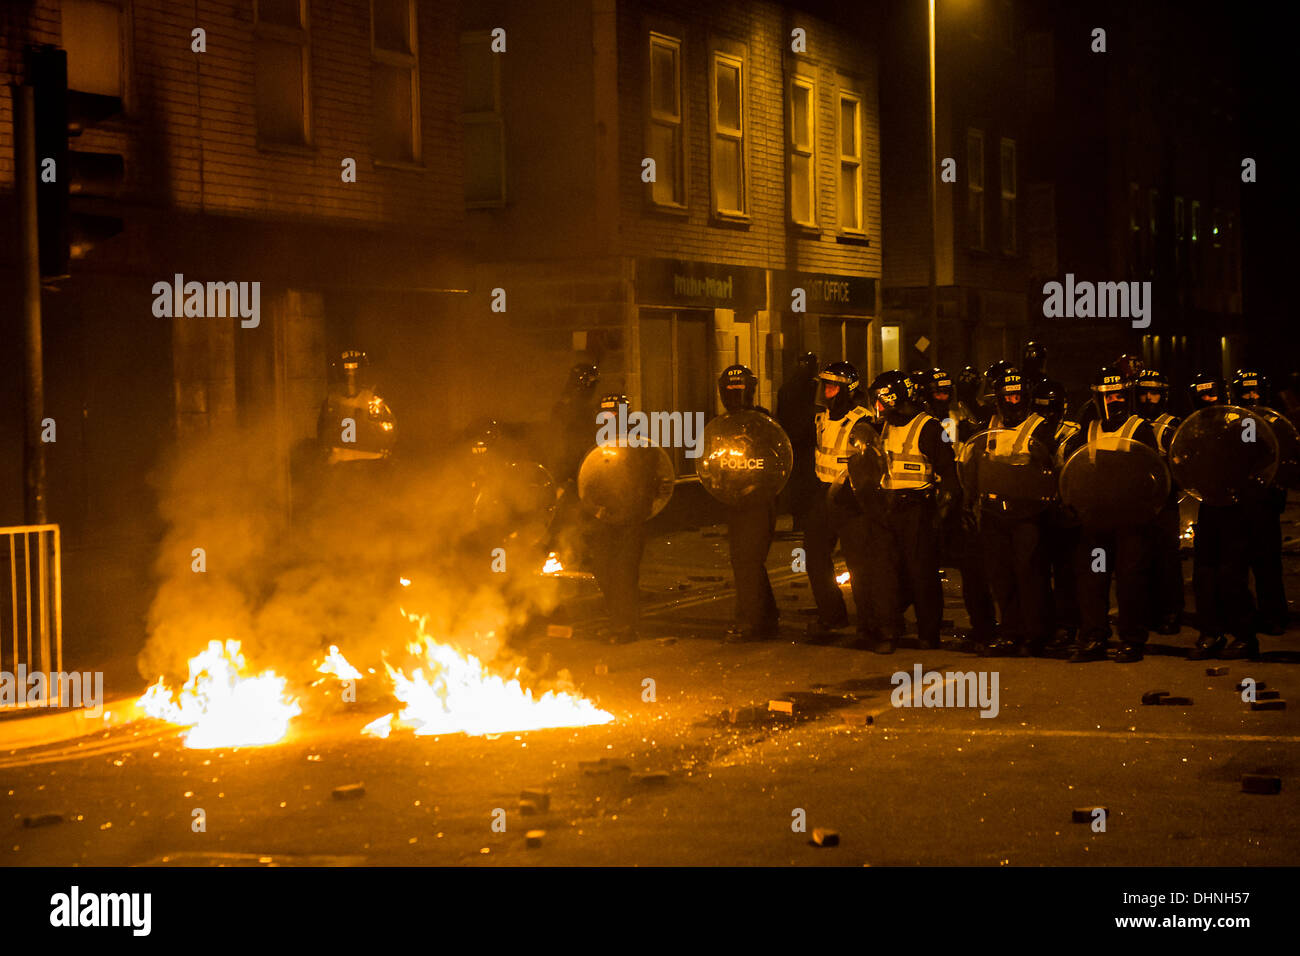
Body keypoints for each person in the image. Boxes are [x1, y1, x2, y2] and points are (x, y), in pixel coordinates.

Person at [1060, 366, 1159, 663]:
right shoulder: (1087, 430)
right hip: (1097, 523)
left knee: (1130, 580)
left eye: (1119, 395)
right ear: (1096, 398)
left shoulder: (1139, 428)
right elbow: (1073, 471)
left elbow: (1152, 473)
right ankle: (1094, 637)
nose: (1114, 400)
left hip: (1129, 522)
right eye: (1108, 395)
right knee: (1093, 579)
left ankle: (1131, 640)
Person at [870, 370, 957, 650]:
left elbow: (950, 473)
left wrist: (942, 512)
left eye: (883, 401)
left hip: (918, 507)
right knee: (884, 572)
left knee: (922, 573)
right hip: (886, 507)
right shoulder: (883, 426)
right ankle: (887, 631)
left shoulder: (930, 428)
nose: (879, 408)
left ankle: (928, 632)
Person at [974, 369, 1057, 656]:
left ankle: (1036, 634)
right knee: (1001, 575)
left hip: (1028, 513)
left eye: (1017, 396)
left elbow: (1049, 470)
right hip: (994, 510)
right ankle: (1010, 632)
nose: (1012, 401)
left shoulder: (1042, 426)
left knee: (1030, 574)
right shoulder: (988, 426)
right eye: (1007, 396)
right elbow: (975, 464)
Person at [804, 361, 882, 648]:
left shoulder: (862, 421)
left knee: (859, 563)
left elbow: (872, 464)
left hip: (851, 499)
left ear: (848, 390)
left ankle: (869, 625)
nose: (827, 391)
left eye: (834, 386)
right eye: (825, 385)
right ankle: (832, 615)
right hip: (824, 494)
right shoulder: (822, 417)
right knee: (814, 555)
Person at [1186, 373, 1258, 660]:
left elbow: (1259, 457)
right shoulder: (1193, 429)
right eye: (1202, 395)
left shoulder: (1242, 423)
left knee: (1232, 574)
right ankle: (1210, 633)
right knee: (1203, 573)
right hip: (1209, 504)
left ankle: (1244, 636)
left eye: (1212, 393)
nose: (1208, 400)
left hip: (1235, 507)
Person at [926, 367, 998, 651]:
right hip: (932, 499)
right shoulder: (925, 421)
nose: (942, 398)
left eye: (946, 392)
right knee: (923, 568)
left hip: (959, 499)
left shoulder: (963, 419)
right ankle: (925, 626)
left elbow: (970, 456)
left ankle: (984, 627)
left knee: (972, 570)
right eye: (937, 393)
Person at [717, 365, 780, 642]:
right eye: (729, 391)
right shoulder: (722, 424)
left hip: (758, 500)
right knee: (747, 561)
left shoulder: (762, 422)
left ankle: (750, 621)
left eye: (738, 390)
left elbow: (774, 461)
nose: (734, 396)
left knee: (747, 562)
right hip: (735, 501)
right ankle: (766, 615)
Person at [1231, 368, 1288, 636]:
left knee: (1267, 563)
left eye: (1255, 391)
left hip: (1264, 501)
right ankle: (1244, 615)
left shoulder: (1276, 423)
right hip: (1239, 502)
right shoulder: (1229, 423)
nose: (1251, 396)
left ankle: (1273, 614)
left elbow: (1286, 461)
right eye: (1245, 392)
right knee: (1238, 563)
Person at [1133, 369, 1184, 635]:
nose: (1148, 399)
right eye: (1143, 393)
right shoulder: (1128, 422)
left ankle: (1171, 611)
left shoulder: (1172, 425)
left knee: (1166, 559)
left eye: (1154, 393)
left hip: (1163, 501)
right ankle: (1147, 612)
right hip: (1135, 503)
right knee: (1139, 560)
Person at [1033, 378, 1082, 653]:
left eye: (1053, 409)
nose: (1049, 415)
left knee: (1066, 573)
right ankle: (1042, 624)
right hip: (1035, 508)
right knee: (1036, 572)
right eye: (1042, 409)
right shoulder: (1028, 430)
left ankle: (1068, 624)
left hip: (1064, 509)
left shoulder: (1074, 432)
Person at [776, 352, 820, 534]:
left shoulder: (786, 388)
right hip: (809, 442)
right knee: (809, 481)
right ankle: (807, 518)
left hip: (793, 441)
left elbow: (781, 414)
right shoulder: (814, 388)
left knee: (797, 482)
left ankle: (798, 520)